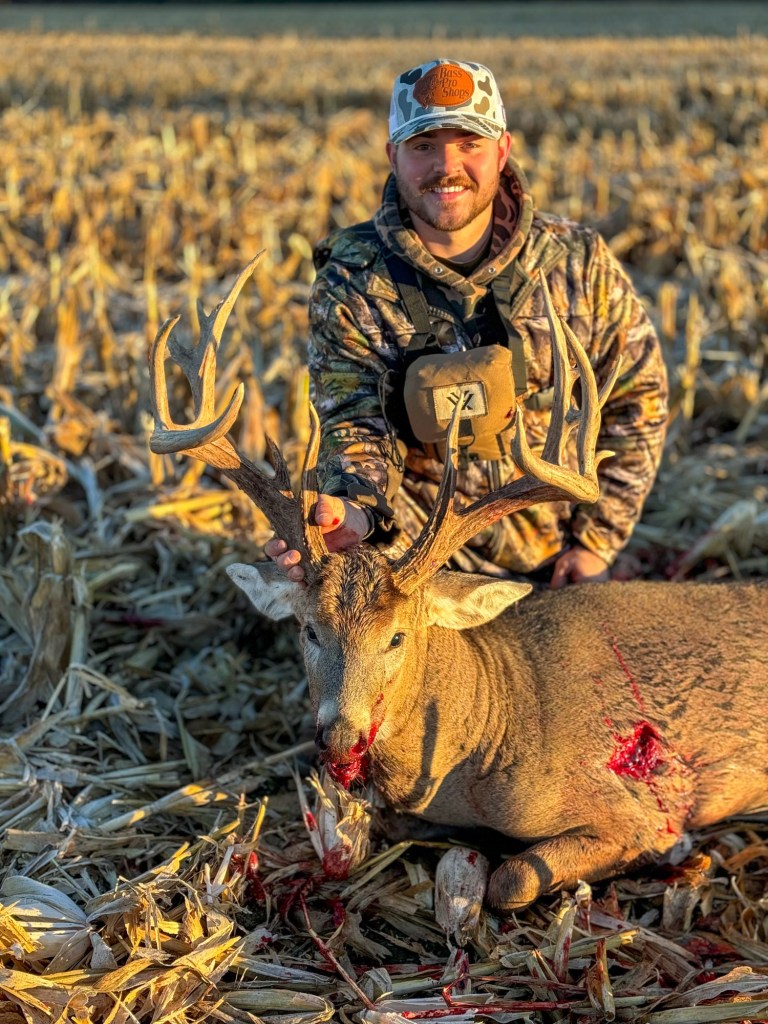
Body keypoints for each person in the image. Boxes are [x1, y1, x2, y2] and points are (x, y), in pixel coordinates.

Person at [267, 58, 668, 587]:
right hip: (409, 570)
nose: (446, 166)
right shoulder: (352, 281)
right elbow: (354, 425)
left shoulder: (577, 263)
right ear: (394, 156)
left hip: (554, 567)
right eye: (423, 146)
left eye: (469, 143)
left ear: (502, 149)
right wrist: (355, 514)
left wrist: (596, 544)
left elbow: (639, 400)